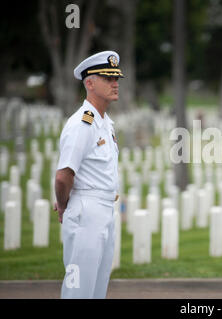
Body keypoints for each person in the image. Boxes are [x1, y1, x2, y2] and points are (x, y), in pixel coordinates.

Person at [54, 51, 124, 299]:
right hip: (86, 210)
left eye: (116, 78)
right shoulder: (82, 123)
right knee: (79, 289)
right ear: (90, 83)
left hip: (104, 209)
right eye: (107, 78)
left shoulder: (105, 123)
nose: (115, 83)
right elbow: (64, 175)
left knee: (96, 290)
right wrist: (63, 206)